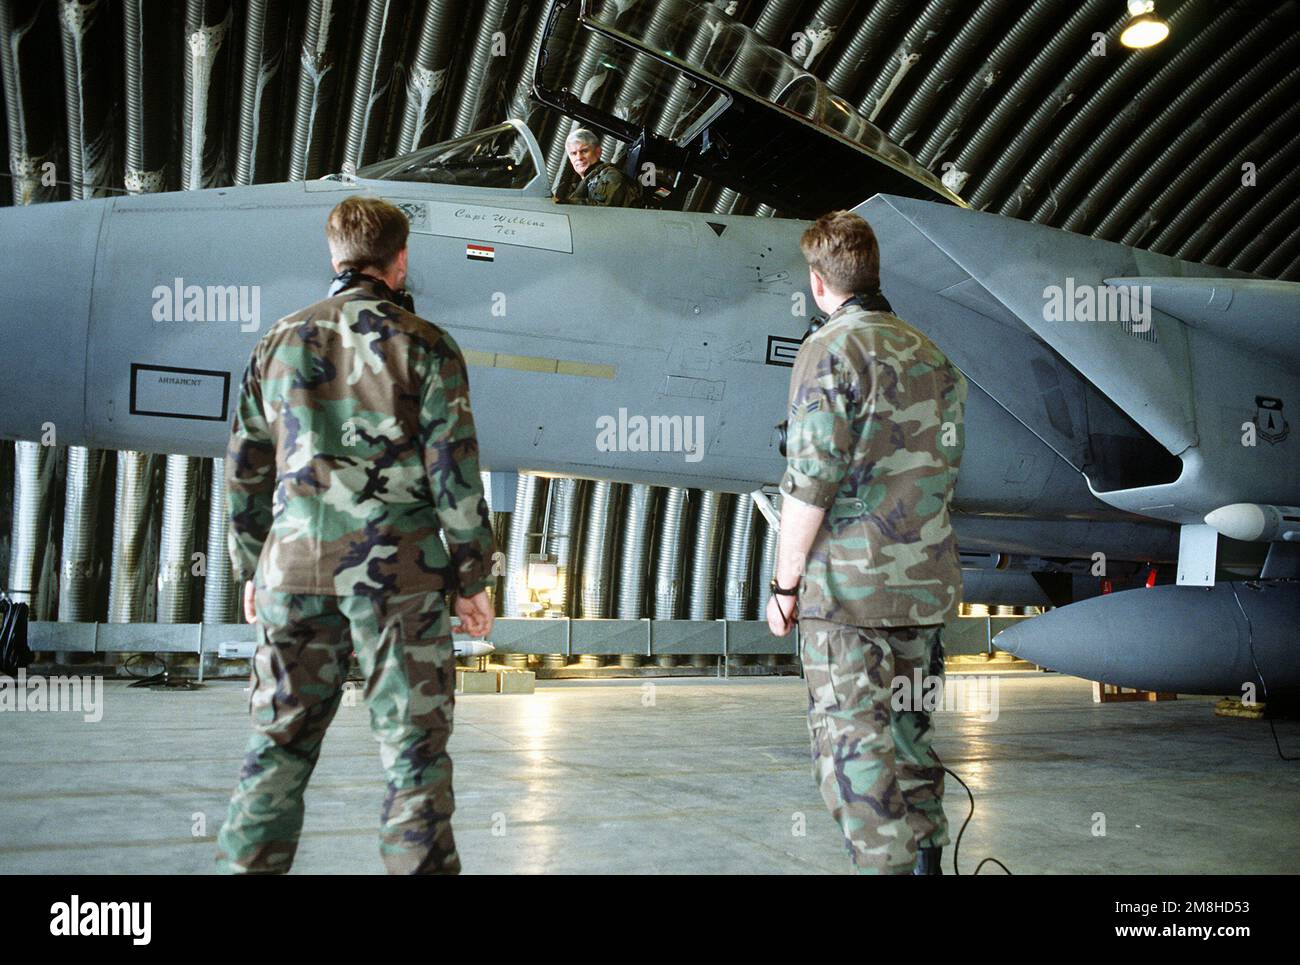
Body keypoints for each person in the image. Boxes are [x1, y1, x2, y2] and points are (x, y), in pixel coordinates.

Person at [215, 195, 496, 875]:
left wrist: (251, 566)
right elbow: (454, 477)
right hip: (398, 579)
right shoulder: (427, 345)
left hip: (293, 571)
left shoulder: (277, 341)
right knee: (414, 755)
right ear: (401, 261)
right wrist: (471, 579)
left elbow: (246, 472)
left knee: (278, 746)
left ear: (333, 256)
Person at [766, 210, 967, 876]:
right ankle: (929, 864)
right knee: (910, 740)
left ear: (819, 282)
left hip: (848, 596)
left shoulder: (829, 349)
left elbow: (811, 482)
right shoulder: (932, 354)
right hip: (923, 591)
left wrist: (784, 585)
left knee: (852, 750)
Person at [562, 128, 642, 207]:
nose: (579, 157)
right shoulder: (581, 188)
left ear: (598, 152)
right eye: (573, 153)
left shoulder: (610, 175)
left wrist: (567, 204)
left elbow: (602, 210)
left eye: (584, 151)